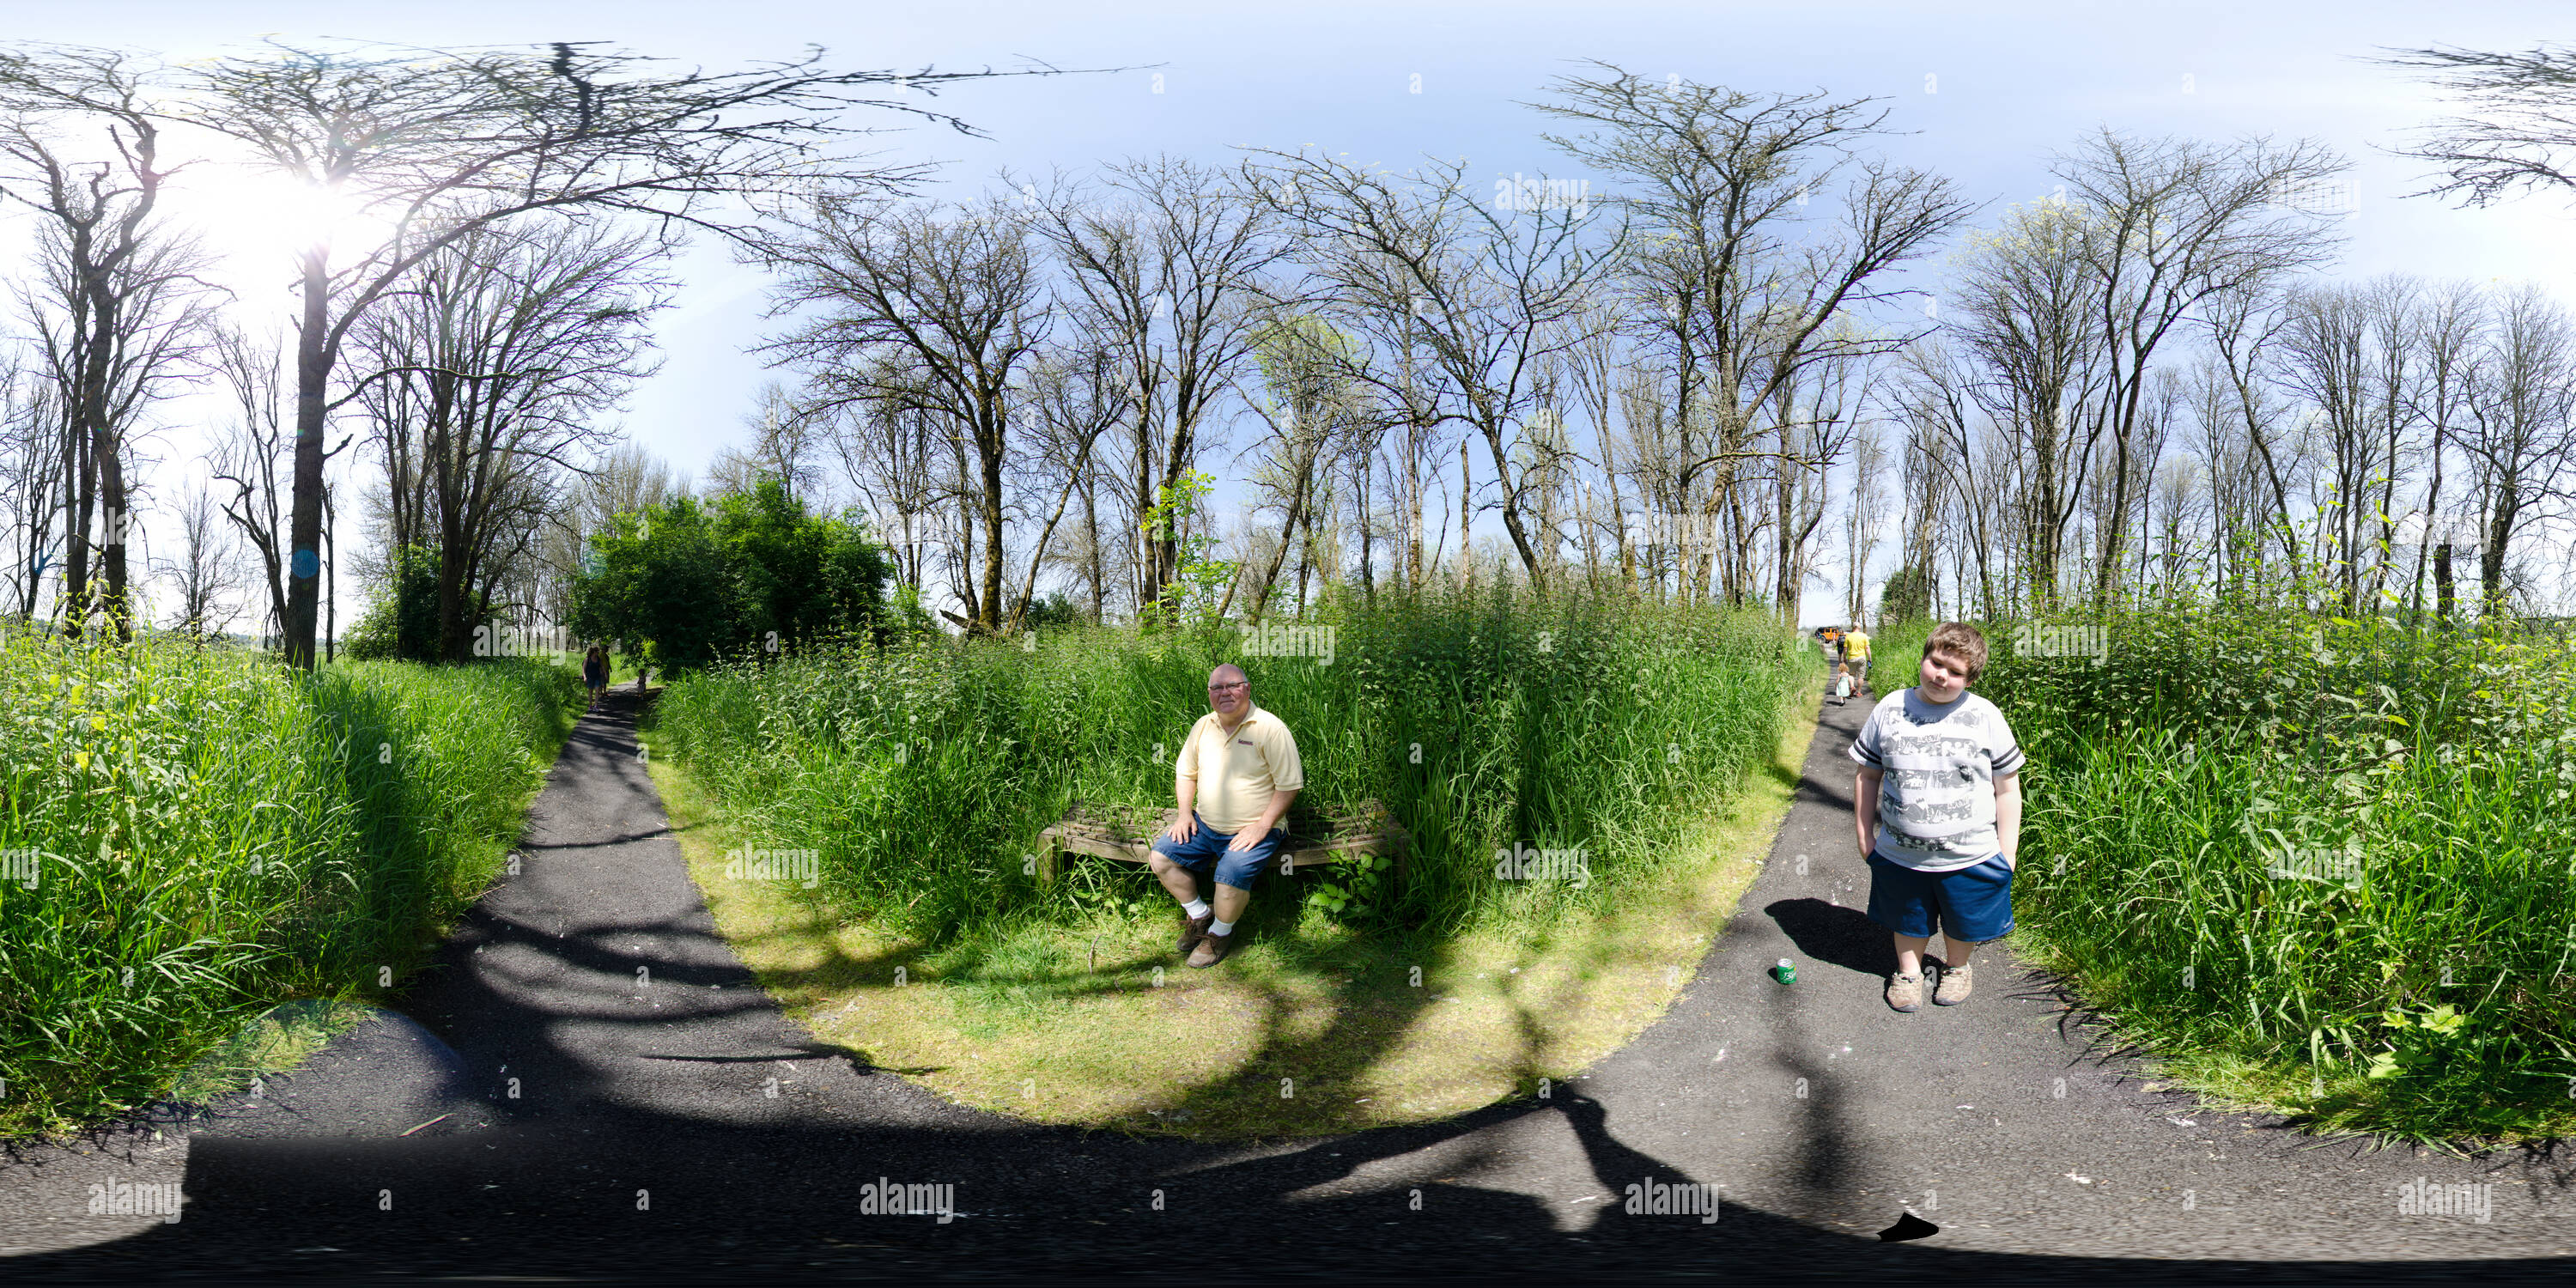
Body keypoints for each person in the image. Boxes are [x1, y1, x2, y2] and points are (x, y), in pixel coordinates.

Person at [1847, 623, 2025, 1013]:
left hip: (1973, 855)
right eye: (1936, 662)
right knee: (1908, 917)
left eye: (1955, 672)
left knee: (1965, 920)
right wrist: (1864, 836)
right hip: (1900, 854)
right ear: (1925, 657)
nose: (1941, 675)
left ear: (1970, 678)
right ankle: (1908, 973)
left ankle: (1957, 968)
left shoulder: (1985, 716)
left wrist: (2007, 853)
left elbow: (2008, 789)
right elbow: (1868, 774)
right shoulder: (1890, 708)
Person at [1151, 663, 1303, 969]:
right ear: (1209, 694)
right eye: (1217, 688)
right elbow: (1185, 772)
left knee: (1228, 878)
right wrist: (1184, 814)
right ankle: (1200, 915)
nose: (1225, 693)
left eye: (1232, 685)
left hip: (1256, 828)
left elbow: (1290, 786)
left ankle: (1220, 933)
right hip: (1205, 825)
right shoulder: (1203, 726)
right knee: (1160, 858)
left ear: (1247, 688)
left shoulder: (1270, 729)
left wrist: (1263, 825)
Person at [1844, 624, 1873, 694]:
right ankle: (1859, 692)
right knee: (1861, 676)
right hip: (1861, 658)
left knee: (1851, 675)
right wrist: (1869, 658)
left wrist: (1844, 657)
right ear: (1859, 627)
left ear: (1853, 627)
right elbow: (1867, 648)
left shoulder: (1848, 636)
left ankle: (1852, 687)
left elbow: (1845, 649)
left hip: (1852, 658)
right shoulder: (1864, 636)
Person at [582, 644, 610, 709]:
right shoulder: (587, 659)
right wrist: (585, 677)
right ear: (594, 652)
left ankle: (596, 705)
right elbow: (583, 669)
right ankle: (590, 706)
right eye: (597, 651)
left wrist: (605, 674)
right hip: (590, 677)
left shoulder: (598, 659)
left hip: (597, 677)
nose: (598, 653)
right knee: (590, 691)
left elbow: (602, 666)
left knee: (597, 690)